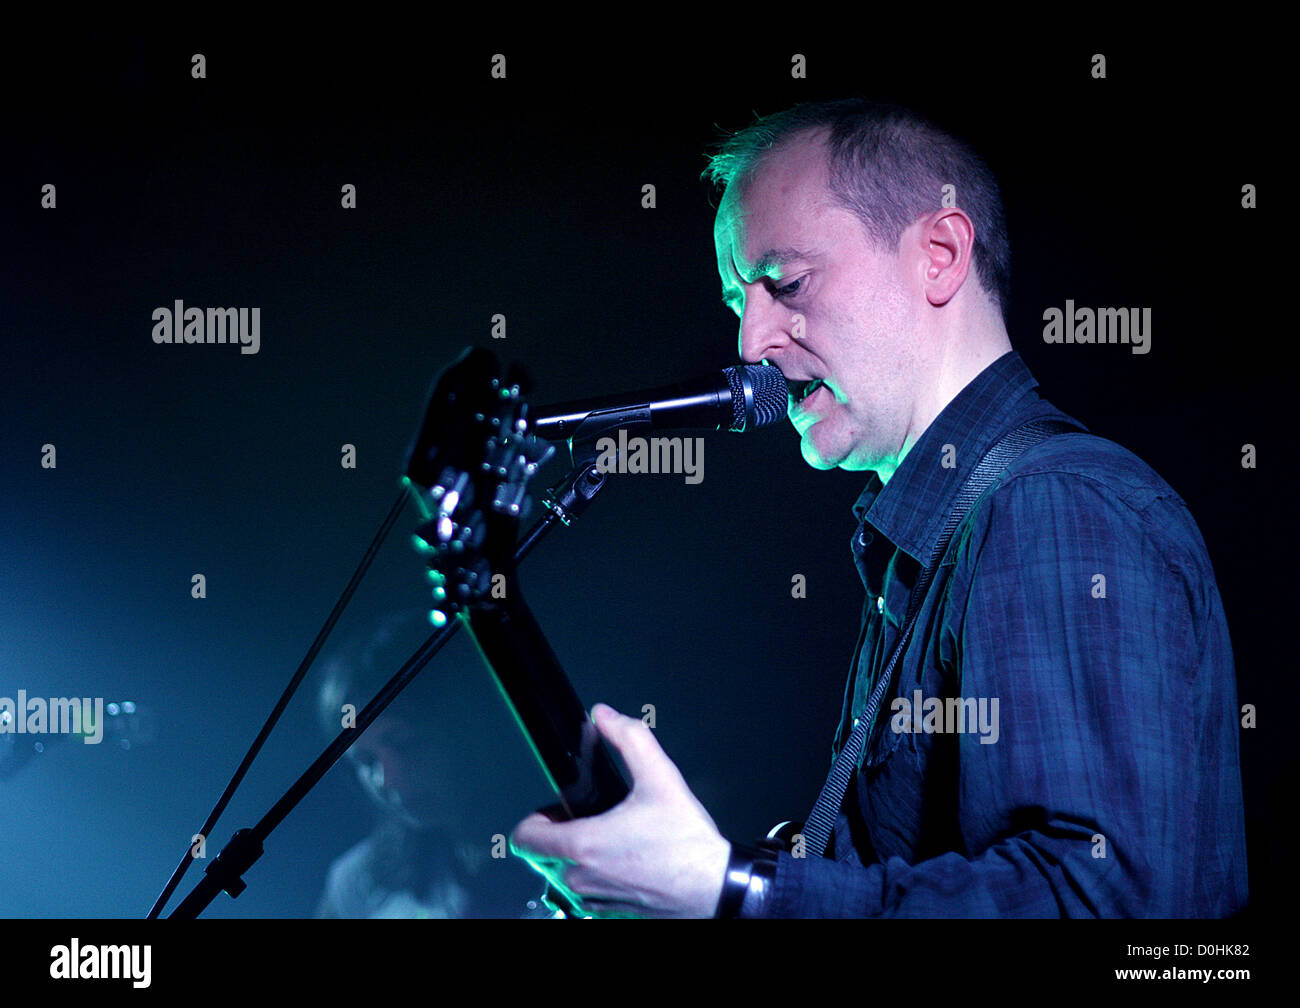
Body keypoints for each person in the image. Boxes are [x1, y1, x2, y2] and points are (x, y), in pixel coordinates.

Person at [508, 98, 1249, 918]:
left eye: (784, 281)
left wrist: (733, 891)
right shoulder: (932, 535)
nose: (751, 343)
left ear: (938, 253)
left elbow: (1103, 905)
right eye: (735, 304)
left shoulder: (1055, 505)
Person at [315, 611, 542, 918]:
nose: (387, 780)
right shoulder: (357, 882)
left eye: (407, 745)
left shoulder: (570, 851)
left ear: (464, 728)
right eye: (366, 762)